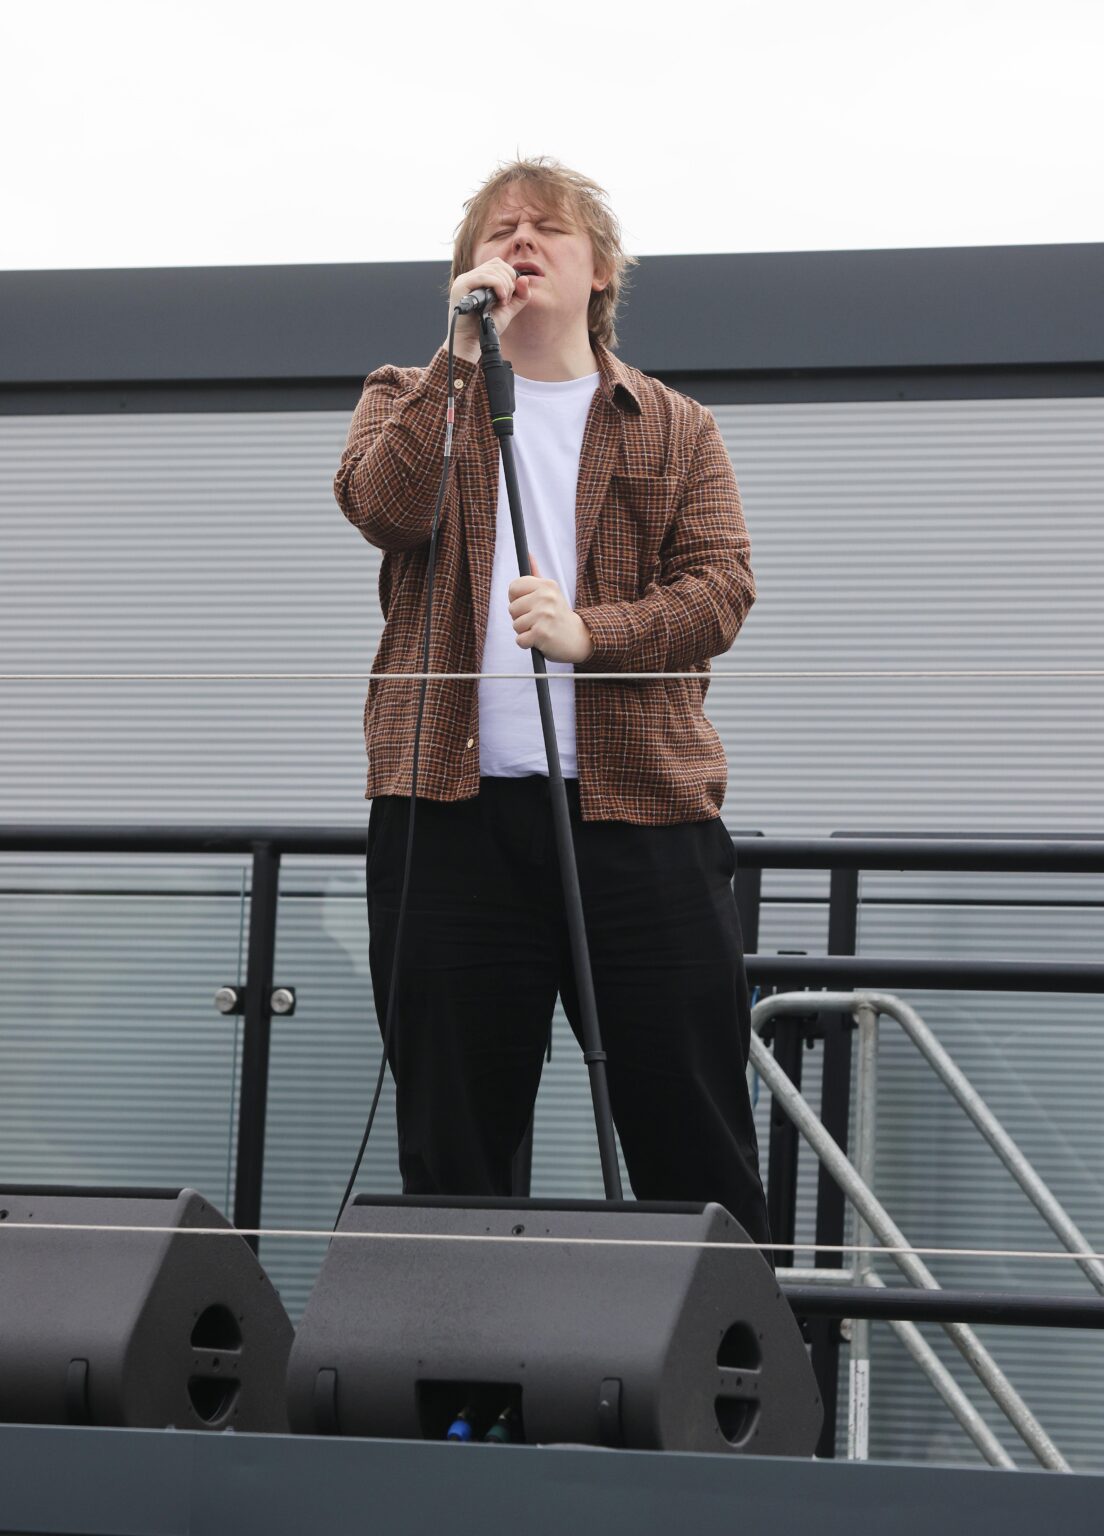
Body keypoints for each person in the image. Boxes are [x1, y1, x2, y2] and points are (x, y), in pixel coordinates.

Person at [334, 157, 771, 1251]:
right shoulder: (408, 394)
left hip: (642, 824)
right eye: (499, 230)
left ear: (601, 269)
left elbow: (721, 587)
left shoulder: (674, 426)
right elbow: (382, 508)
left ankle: (724, 1401)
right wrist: (460, 355)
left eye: (548, 229)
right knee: (455, 1142)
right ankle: (462, 1412)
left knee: (691, 1130)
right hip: (447, 816)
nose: (521, 241)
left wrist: (594, 633)